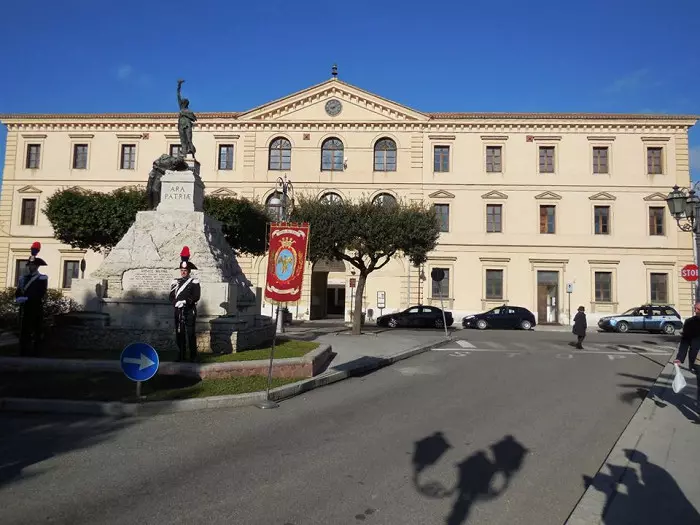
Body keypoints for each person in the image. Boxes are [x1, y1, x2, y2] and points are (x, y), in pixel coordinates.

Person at [15, 242, 48, 357]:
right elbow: (19, 290)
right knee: (23, 329)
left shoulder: (42, 278)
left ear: (37, 266)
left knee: (36, 329)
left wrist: (28, 298)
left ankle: (36, 352)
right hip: (24, 307)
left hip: (35, 307)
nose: (30, 267)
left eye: (32, 265)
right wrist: (18, 298)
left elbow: (41, 293)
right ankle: (23, 351)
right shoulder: (22, 278)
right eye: (29, 265)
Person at [169, 246, 201, 362]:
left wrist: (186, 302)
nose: (183, 272)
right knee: (179, 333)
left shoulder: (194, 282)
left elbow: (196, 296)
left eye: (185, 271)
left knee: (190, 333)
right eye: (181, 271)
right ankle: (181, 355)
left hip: (189, 311)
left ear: (189, 271)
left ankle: (193, 356)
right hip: (178, 311)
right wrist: (175, 303)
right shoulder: (175, 282)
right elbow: (171, 296)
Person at [673, 302, 700, 374]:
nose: (696, 311)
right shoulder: (689, 322)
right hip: (696, 360)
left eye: (699, 309)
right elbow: (685, 342)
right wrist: (679, 358)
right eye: (695, 309)